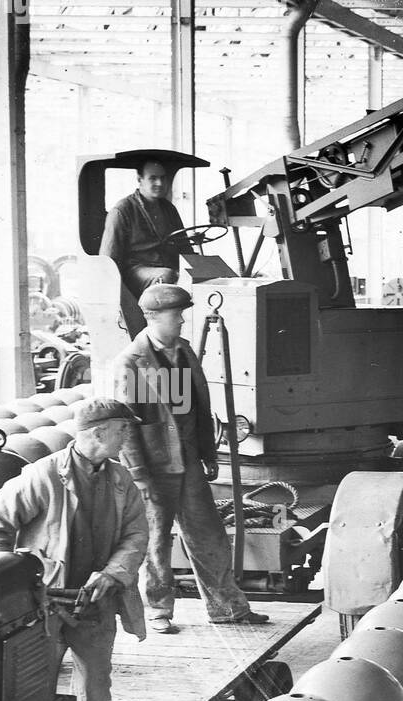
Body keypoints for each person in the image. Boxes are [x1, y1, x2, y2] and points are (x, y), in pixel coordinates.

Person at [0, 399, 149, 701]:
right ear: (97, 433)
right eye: (122, 430)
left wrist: (112, 573)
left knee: (95, 692)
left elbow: (136, 535)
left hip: (95, 604)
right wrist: (13, 592)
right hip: (43, 609)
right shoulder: (42, 476)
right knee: (29, 696)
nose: (128, 437)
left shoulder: (121, 481)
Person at [108, 283, 269, 633]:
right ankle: (159, 611)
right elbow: (129, 427)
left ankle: (226, 607)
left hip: (188, 463)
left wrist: (209, 453)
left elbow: (194, 410)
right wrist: (140, 475)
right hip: (154, 469)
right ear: (153, 317)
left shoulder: (182, 352)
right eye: (175, 314)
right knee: (156, 540)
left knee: (208, 535)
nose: (182, 320)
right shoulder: (133, 363)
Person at [99, 158, 188, 299]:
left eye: (162, 178)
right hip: (135, 271)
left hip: (168, 268)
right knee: (167, 276)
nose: (159, 183)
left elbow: (185, 247)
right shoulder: (122, 210)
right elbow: (108, 259)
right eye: (153, 178)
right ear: (140, 179)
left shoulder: (169, 209)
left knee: (204, 274)